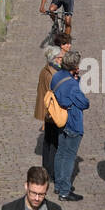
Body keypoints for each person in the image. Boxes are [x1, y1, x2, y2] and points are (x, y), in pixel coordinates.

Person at [50, 50, 89, 201]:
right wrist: (76, 82)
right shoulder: (72, 85)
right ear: (74, 66)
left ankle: (59, 185)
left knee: (60, 152)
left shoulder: (57, 76)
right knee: (69, 157)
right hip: (73, 122)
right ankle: (65, 191)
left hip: (60, 119)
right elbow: (84, 103)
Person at [35, 43, 63, 179]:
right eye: (61, 57)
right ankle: (51, 171)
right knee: (53, 143)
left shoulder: (45, 70)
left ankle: (47, 168)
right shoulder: (54, 75)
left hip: (46, 111)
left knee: (48, 141)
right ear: (55, 58)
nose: (62, 59)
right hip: (52, 112)